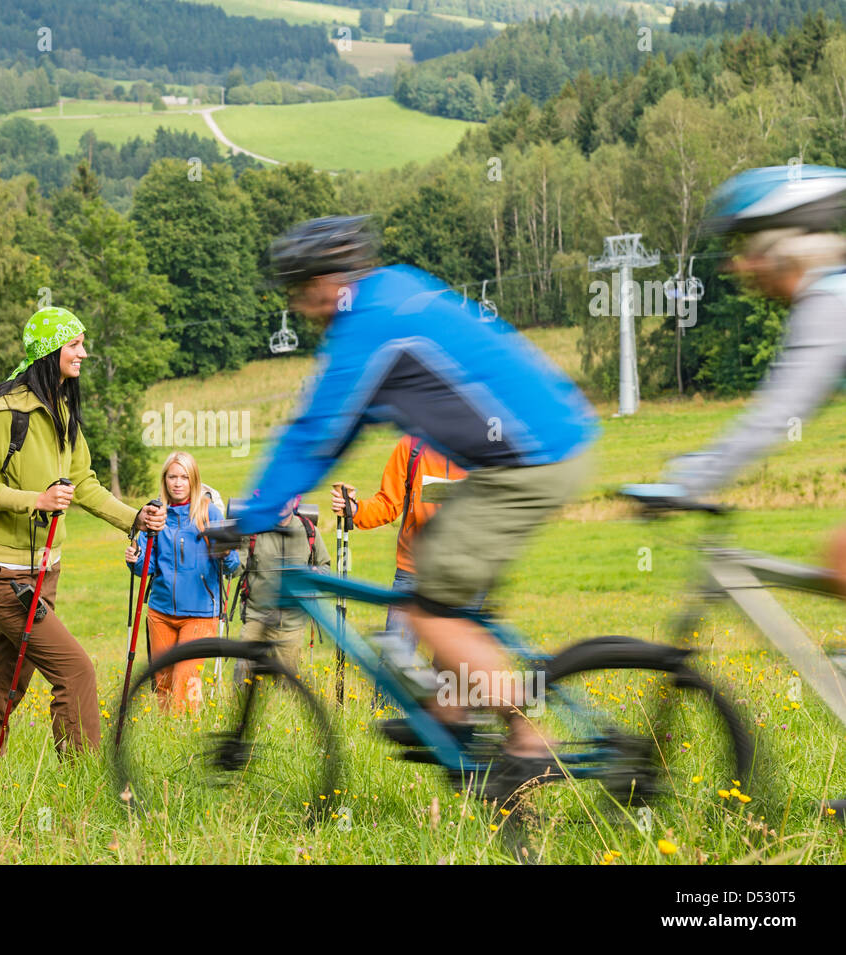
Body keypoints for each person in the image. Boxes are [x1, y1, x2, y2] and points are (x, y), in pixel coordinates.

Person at [227, 215, 599, 800]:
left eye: (300, 291)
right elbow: (346, 428)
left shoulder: (367, 324)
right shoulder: (394, 289)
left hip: (534, 456)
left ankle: (529, 744)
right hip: (544, 443)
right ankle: (445, 713)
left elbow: (317, 433)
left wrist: (250, 513)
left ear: (328, 280)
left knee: (427, 611)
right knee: (440, 584)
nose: (300, 307)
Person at [659, 164, 846, 818]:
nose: (740, 268)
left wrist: (687, 480)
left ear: (783, 246)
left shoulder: (830, 303)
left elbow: (776, 415)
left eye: (747, 248)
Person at [0, 306, 165, 755]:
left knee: (5, 679)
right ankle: (82, 773)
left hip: (42, 571)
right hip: (2, 574)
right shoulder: (5, 411)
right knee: (76, 671)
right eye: (74, 345)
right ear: (50, 350)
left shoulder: (64, 410)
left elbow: (85, 484)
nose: (84, 353)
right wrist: (36, 500)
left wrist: (134, 518)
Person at [123, 451, 240, 714]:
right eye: (172, 477)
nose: (177, 483)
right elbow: (146, 569)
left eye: (184, 477)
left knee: (185, 682)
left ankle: (185, 738)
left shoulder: (210, 513)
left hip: (199, 614)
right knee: (163, 683)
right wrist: (134, 559)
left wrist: (226, 552)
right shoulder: (155, 515)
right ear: (164, 480)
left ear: (194, 480)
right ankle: (168, 739)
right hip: (160, 612)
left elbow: (232, 567)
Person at [330, 435, 468, 635]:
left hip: (465, 575)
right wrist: (355, 509)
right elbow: (387, 503)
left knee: (455, 663)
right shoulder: (412, 445)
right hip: (412, 571)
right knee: (394, 656)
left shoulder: (479, 443)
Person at [231, 495, 330, 678]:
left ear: (295, 501)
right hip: (256, 619)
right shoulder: (254, 531)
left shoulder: (309, 531)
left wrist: (315, 574)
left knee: (287, 687)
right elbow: (235, 569)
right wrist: (226, 554)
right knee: (243, 681)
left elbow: (325, 567)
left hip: (292, 625)